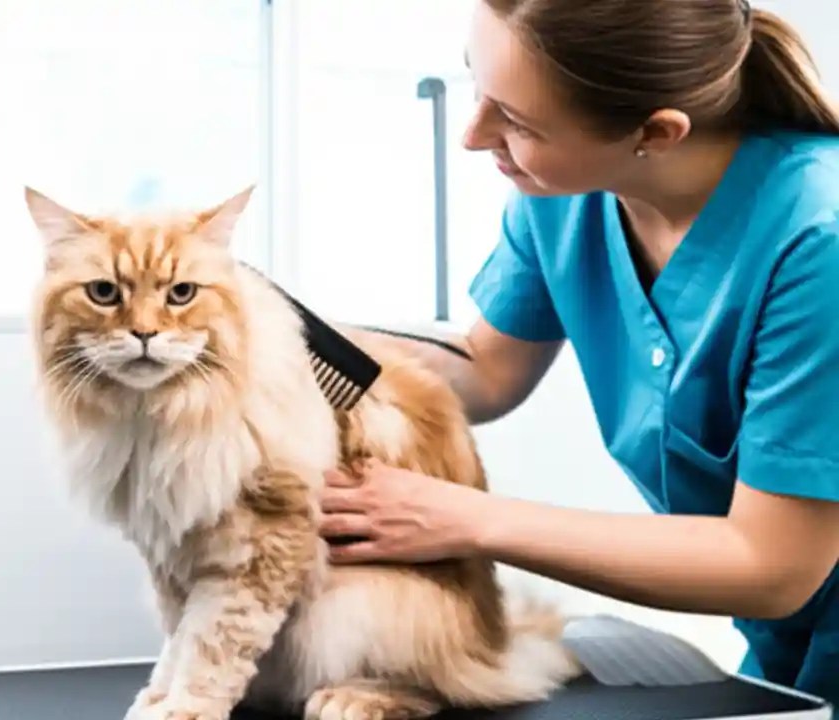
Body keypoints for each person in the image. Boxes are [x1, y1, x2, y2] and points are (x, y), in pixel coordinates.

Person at [318, 0, 839, 704]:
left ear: (655, 132)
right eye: (478, 88)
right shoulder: (566, 194)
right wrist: (278, 333)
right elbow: (485, 370)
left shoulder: (818, 240)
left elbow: (773, 566)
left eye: (518, 122)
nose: (474, 137)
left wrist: (461, 518)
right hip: (793, 650)